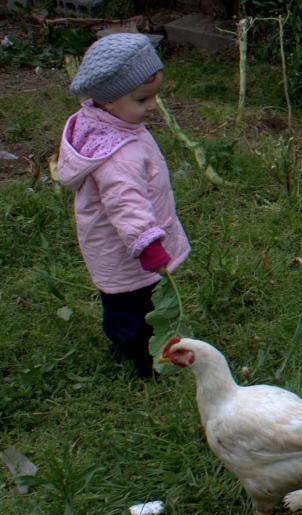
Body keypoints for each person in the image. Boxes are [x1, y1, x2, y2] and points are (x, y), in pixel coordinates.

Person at [57, 33, 190, 378]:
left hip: (120, 248)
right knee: (133, 310)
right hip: (130, 251)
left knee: (128, 304)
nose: (152, 105)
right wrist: (148, 244)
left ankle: (127, 345)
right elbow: (126, 204)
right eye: (143, 98)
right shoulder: (117, 156)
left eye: (155, 95)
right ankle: (139, 363)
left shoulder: (113, 122)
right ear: (109, 100)